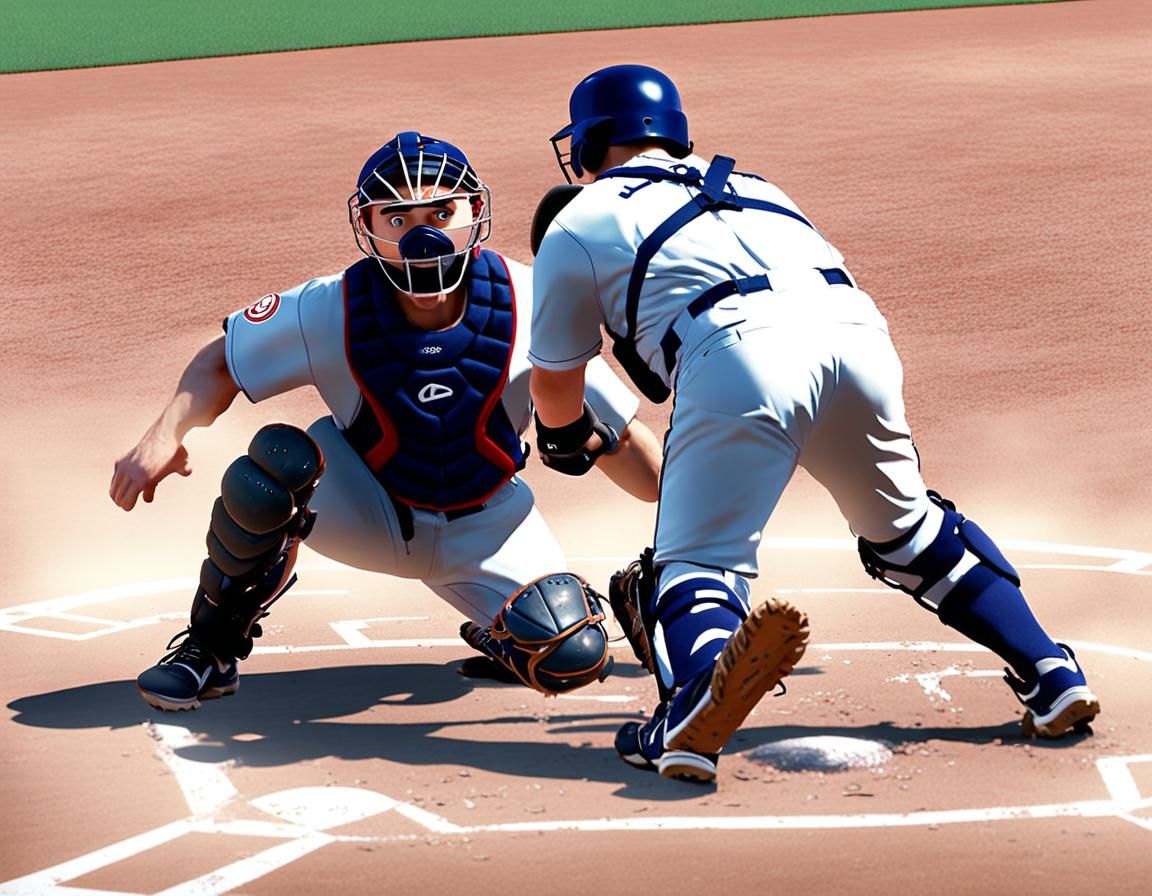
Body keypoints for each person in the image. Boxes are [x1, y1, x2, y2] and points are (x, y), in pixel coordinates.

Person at [527, 64, 1100, 783]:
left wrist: (563, 437)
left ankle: (694, 702)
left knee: (697, 560)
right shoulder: (757, 185)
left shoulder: (581, 217)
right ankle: (1049, 670)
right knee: (910, 533)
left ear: (588, 139)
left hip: (739, 354)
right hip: (859, 340)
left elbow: (555, 379)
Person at [110, 131, 663, 711]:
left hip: (490, 523)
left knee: (570, 652)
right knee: (274, 468)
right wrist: (163, 434)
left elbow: (619, 440)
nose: (422, 235)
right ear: (368, 222)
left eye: (440, 212)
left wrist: (694, 520)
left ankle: (503, 632)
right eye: (397, 217)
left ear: (474, 212)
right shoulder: (330, 306)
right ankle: (209, 649)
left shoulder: (532, 299)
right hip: (366, 504)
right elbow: (222, 360)